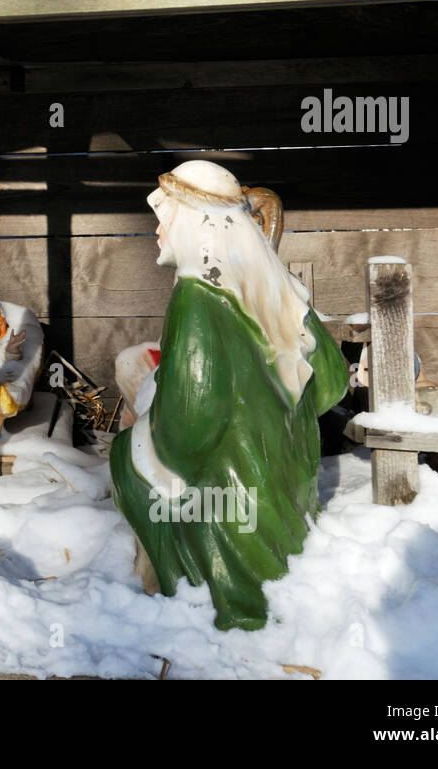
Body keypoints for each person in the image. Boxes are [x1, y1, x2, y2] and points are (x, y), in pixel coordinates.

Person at [109, 160, 348, 630]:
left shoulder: (197, 296)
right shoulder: (281, 286)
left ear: (194, 222)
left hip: (226, 497)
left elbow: (190, 428)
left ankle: (192, 594)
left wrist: (154, 417)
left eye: (165, 216)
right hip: (286, 487)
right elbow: (331, 384)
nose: (157, 229)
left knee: (125, 458)